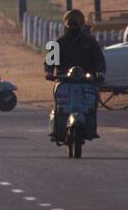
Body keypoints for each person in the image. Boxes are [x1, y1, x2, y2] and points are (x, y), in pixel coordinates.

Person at [45, 9, 106, 137]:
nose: (73, 28)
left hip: (85, 81)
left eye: (75, 25)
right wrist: (49, 73)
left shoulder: (90, 42)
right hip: (64, 81)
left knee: (91, 104)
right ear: (66, 26)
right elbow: (49, 63)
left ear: (81, 25)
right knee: (60, 106)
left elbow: (99, 61)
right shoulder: (59, 43)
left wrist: (100, 74)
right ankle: (58, 129)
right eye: (70, 25)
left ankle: (91, 129)